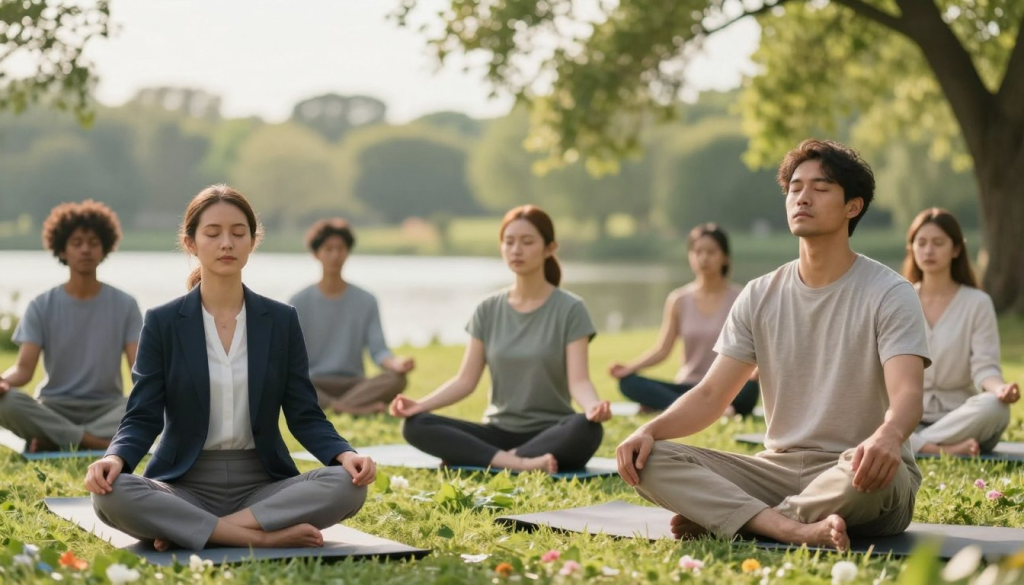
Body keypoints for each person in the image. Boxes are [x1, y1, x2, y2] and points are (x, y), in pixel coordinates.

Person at [616, 139, 930, 551]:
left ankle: (742, 518)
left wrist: (888, 436)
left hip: (859, 470)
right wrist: (649, 429)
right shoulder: (759, 294)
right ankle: (788, 526)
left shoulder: (890, 291)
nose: (802, 197)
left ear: (853, 206)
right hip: (776, 470)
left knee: (865, 477)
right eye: (795, 188)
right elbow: (711, 394)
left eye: (820, 188)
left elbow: (907, 393)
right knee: (650, 459)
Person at [85, 185, 375, 552]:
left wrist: (346, 455)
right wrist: (113, 457)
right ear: (190, 242)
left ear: (252, 242)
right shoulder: (162, 322)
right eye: (213, 233)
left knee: (347, 484)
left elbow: (305, 415)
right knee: (112, 495)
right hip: (183, 485)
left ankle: (199, 532)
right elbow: (142, 417)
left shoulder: (281, 321)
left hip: (263, 486)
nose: (227, 243)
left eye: (239, 233)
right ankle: (259, 538)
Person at [390, 205, 611, 474]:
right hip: (496, 431)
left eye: (527, 242)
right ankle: (519, 462)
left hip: (552, 432)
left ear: (549, 248)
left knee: (586, 428)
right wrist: (421, 405)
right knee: (415, 425)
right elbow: (465, 380)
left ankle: (488, 459)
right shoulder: (488, 308)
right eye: (509, 242)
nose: (516, 249)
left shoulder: (570, 309)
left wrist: (592, 408)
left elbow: (579, 380)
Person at [0, 200, 141, 453]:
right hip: (53, 407)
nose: (85, 250)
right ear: (63, 250)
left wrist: (166, 388)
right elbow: (23, 370)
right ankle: (94, 443)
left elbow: (139, 371)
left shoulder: (126, 305)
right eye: (77, 243)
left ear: (104, 249)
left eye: (93, 243)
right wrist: (2, 381)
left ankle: (55, 440)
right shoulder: (40, 305)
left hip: (108, 408)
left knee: (159, 401)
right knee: (5, 402)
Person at [609, 223, 759, 416]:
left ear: (725, 257)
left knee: (750, 389)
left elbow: (756, 349)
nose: (703, 258)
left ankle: (679, 408)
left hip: (727, 388)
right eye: (697, 252)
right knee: (628, 383)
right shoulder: (678, 300)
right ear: (690, 256)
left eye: (711, 252)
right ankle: (704, 409)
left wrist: (755, 372)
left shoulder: (742, 297)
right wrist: (629, 368)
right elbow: (662, 350)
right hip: (688, 389)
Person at [902, 208, 1018, 456]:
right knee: (867, 410)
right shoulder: (899, 299)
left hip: (961, 418)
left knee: (995, 408)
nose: (928, 250)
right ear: (912, 249)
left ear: (955, 249)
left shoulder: (978, 302)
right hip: (908, 415)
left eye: (938, 243)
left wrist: (999, 390)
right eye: (921, 243)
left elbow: (984, 366)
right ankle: (939, 448)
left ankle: (914, 445)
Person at [289, 219, 413, 415]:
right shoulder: (298, 301)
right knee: (286, 380)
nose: (335, 255)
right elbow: (290, 358)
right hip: (315, 382)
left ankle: (337, 408)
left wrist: (396, 364)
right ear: (316, 254)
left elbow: (379, 350)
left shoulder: (366, 301)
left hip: (354, 384)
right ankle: (351, 409)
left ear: (348, 252)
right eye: (328, 249)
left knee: (398, 378)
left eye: (341, 249)